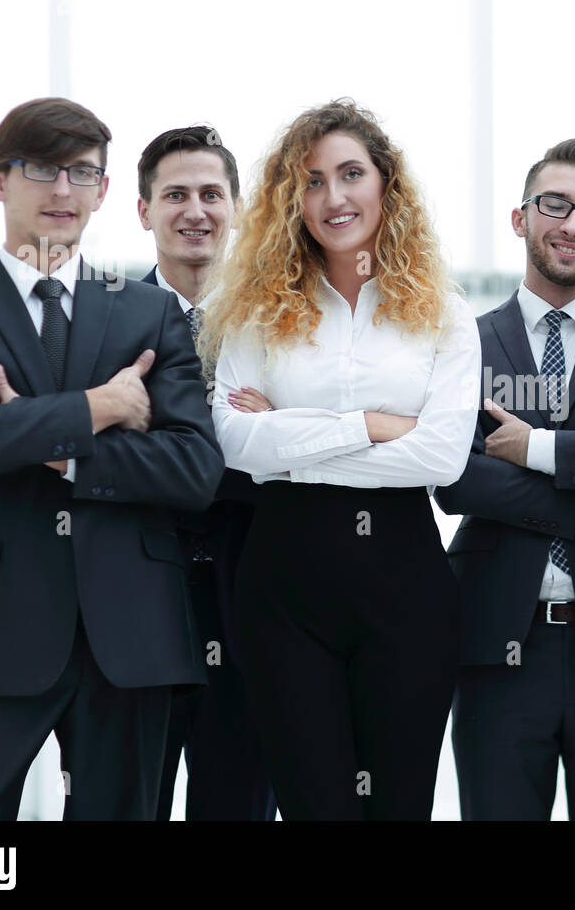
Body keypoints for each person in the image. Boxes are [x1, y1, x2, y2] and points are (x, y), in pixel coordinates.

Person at [0, 97, 223, 820]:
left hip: (134, 634)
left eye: (82, 173)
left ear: (106, 191)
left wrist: (50, 446)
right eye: (40, 168)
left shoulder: (149, 314)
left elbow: (195, 469)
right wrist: (101, 409)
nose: (62, 191)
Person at [200, 99, 481, 820]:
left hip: (408, 591)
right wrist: (378, 425)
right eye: (313, 180)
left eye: (350, 174)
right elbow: (235, 442)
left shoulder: (443, 313)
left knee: (397, 808)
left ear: (386, 184)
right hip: (284, 591)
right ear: (292, 199)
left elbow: (443, 456)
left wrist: (292, 440)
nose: (333, 197)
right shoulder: (258, 309)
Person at [434, 139, 575, 820]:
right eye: (555, 204)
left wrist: (537, 450)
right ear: (520, 217)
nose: (572, 224)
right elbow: (455, 477)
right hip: (497, 636)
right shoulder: (463, 340)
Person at [135, 125, 276, 821]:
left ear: (238, 208)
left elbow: (297, 455)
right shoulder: (104, 324)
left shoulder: (282, 324)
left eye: (211, 193)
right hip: (134, 601)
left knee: (239, 802)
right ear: (144, 211)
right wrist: (256, 432)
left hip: (254, 600)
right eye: (176, 194)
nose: (196, 210)